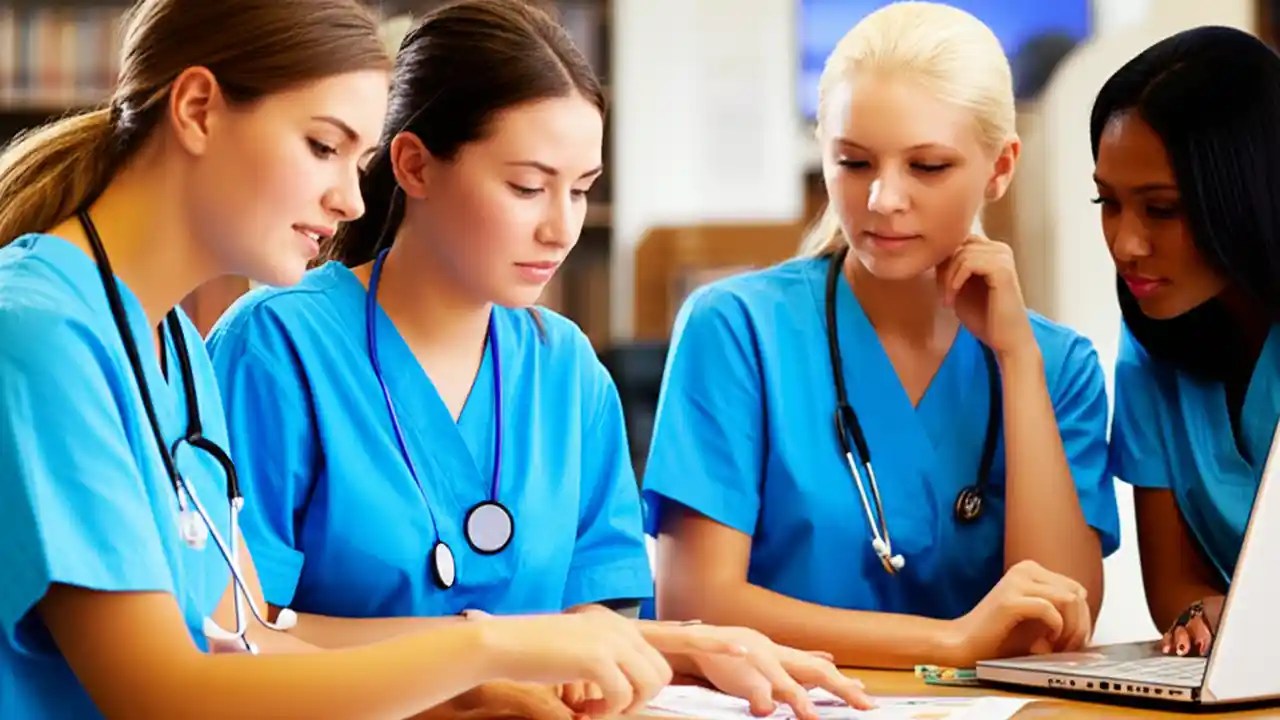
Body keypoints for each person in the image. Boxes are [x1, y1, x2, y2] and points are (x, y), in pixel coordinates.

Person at [0, 1, 753, 717]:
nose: (353, 202)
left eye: (354, 158)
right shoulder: (42, 335)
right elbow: (161, 697)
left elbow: (249, 643)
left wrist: (471, 685)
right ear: (198, 110)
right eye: (323, 146)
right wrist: (485, 645)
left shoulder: (170, 350)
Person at [205, 1, 870, 717]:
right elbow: (239, 634)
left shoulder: (569, 372)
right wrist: (471, 675)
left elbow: (595, 622)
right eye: (527, 187)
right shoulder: (275, 349)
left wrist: (688, 649)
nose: (560, 227)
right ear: (414, 165)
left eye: (582, 189)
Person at [641, 0, 1122, 669]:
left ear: (1000, 167)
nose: (883, 200)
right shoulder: (735, 329)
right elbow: (696, 602)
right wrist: (950, 642)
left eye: (927, 167)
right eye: (854, 162)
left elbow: (1057, 622)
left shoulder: (1057, 366)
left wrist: (1017, 361)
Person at [1095, 25, 1280, 659]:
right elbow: (1173, 586)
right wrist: (1205, 613)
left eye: (1162, 209)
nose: (1126, 244)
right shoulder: (1149, 345)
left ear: (1247, 194)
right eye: (1109, 202)